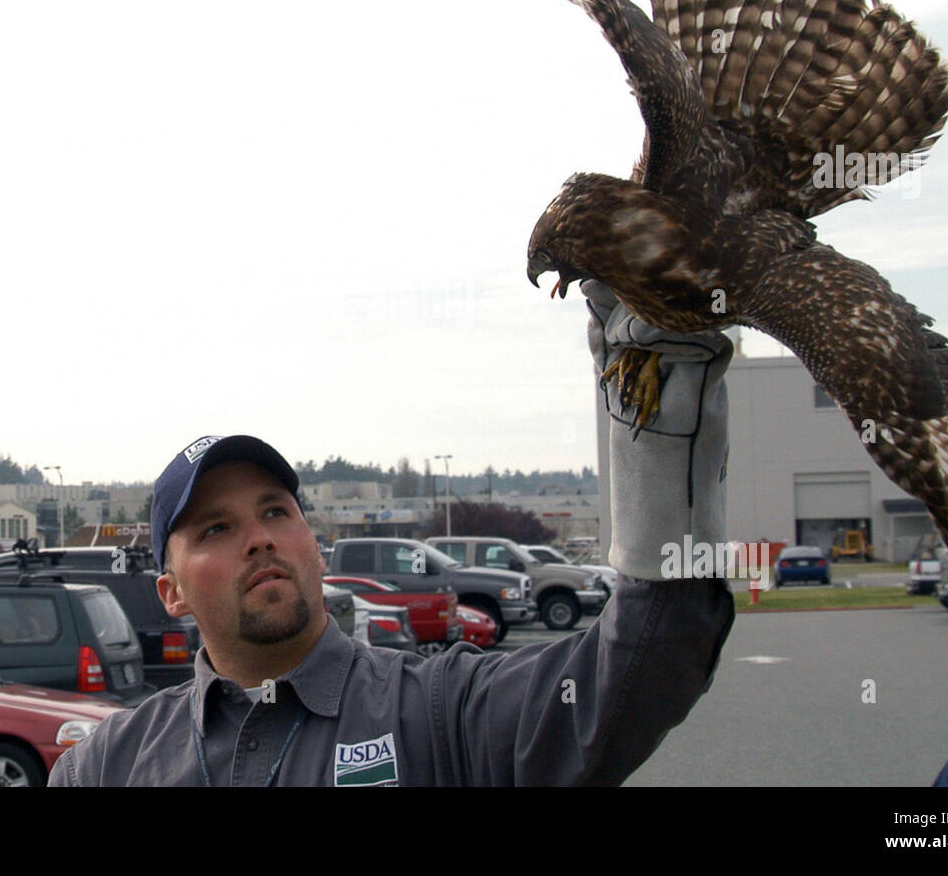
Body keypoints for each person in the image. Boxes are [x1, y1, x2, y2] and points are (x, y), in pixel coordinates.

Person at [49, 283, 736, 786]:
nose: (258, 538)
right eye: (217, 528)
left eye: (276, 512)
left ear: (315, 549)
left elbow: (640, 668)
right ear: (170, 592)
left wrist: (664, 406)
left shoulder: (441, 713)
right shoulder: (108, 766)